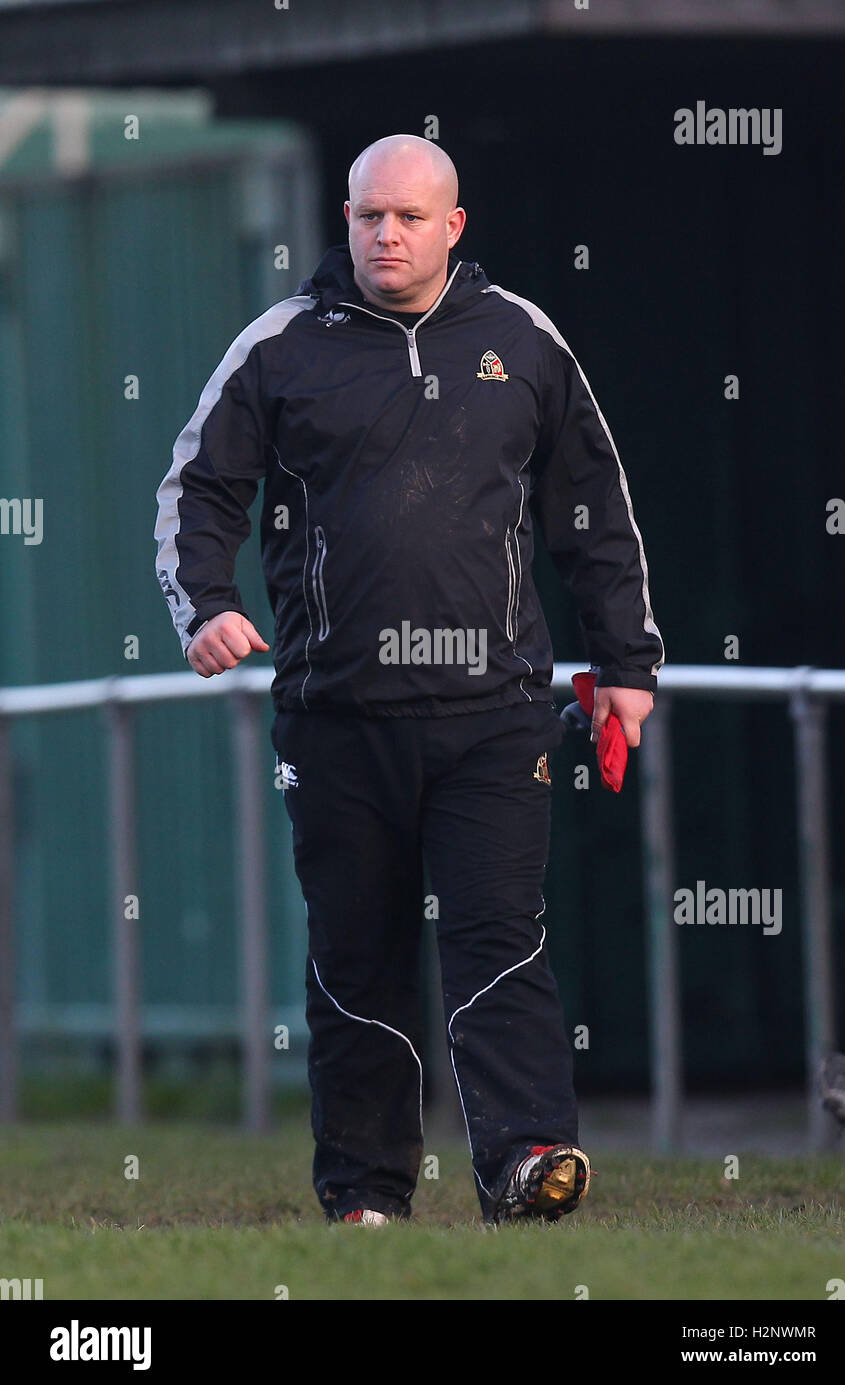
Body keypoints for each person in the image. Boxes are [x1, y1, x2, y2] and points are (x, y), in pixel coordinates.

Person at [154, 133, 664, 1225]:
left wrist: (624, 660)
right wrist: (206, 605)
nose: (384, 234)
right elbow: (197, 489)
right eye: (366, 215)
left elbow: (593, 506)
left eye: (407, 217)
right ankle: (365, 1192)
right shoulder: (280, 346)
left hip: (495, 712)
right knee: (358, 952)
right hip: (338, 717)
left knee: (497, 935)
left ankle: (526, 1163)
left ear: (452, 228)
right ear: (342, 220)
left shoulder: (521, 340)